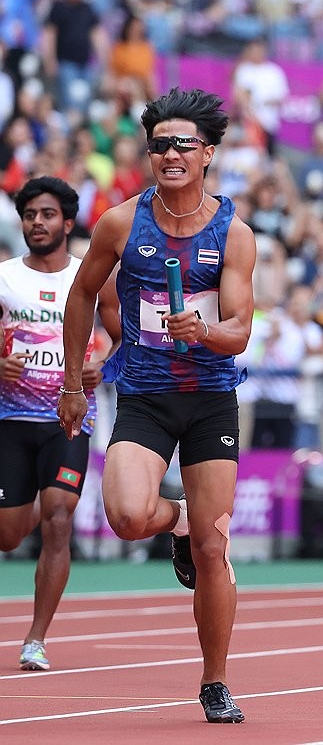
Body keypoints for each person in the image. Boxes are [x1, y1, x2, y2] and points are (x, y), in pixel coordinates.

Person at [57, 87, 256, 723]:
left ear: (209, 154)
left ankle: (216, 680)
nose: (169, 154)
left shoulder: (235, 232)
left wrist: (204, 332)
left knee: (213, 549)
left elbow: (241, 330)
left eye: (182, 145)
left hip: (209, 399)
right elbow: (81, 294)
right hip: (144, 393)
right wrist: (70, 382)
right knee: (123, 514)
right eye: (158, 145)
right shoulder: (121, 222)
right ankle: (176, 519)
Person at [0, 177, 108, 671]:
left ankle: (35, 639)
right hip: (10, 420)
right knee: (9, 534)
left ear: (67, 223)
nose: (36, 223)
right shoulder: (4, 277)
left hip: (67, 420)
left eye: (46, 215)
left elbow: (127, 335)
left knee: (59, 519)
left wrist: (104, 366)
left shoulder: (87, 277)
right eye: (29, 215)